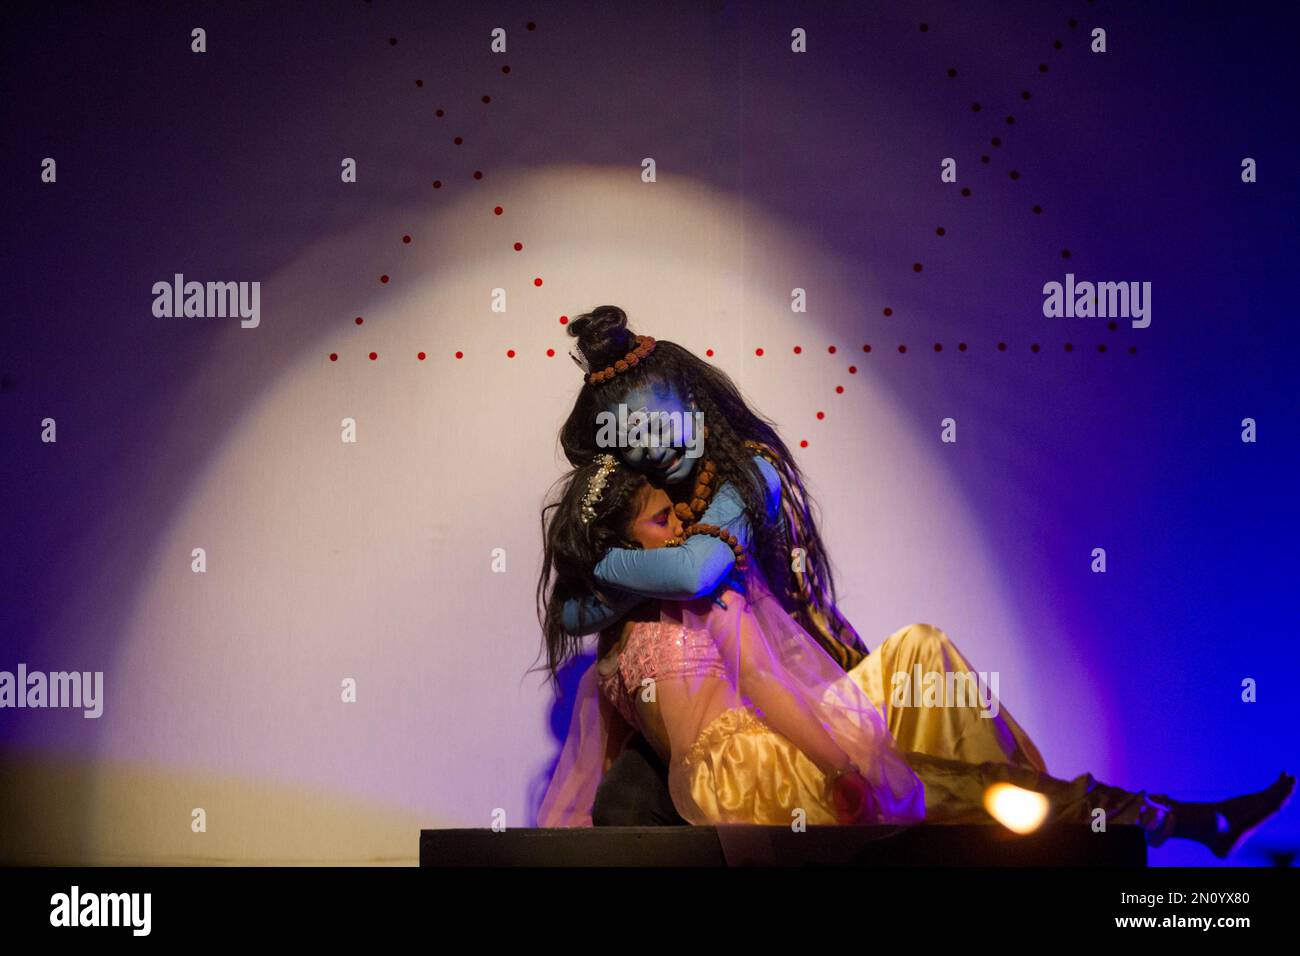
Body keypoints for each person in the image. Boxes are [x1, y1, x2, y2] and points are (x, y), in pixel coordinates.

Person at [537, 304, 1295, 855]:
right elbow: (579, 610)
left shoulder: (744, 479)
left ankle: (1055, 837)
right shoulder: (649, 569)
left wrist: (611, 565)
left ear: (691, 403)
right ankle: (1101, 826)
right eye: (631, 440)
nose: (651, 446)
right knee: (642, 798)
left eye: (657, 422)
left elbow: (700, 569)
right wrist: (613, 564)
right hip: (729, 740)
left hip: (790, 696)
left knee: (925, 679)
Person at [536, 455, 926, 827]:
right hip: (707, 789)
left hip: (757, 765)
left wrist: (838, 768)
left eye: (675, 513)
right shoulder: (609, 651)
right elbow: (602, 764)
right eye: (661, 519)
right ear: (621, 547)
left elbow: (760, 676)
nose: (679, 528)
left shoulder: (706, 596)